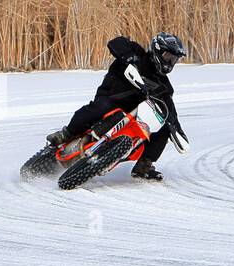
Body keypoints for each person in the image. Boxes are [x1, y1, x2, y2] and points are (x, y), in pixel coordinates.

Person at [46, 33, 186, 181]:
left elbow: (169, 109)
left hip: (133, 113)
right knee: (100, 107)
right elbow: (116, 42)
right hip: (111, 98)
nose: (170, 62)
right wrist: (128, 58)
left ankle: (144, 166)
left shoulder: (164, 85)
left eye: (174, 59)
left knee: (163, 127)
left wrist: (176, 129)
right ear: (157, 49)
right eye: (167, 56)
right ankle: (66, 134)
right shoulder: (136, 53)